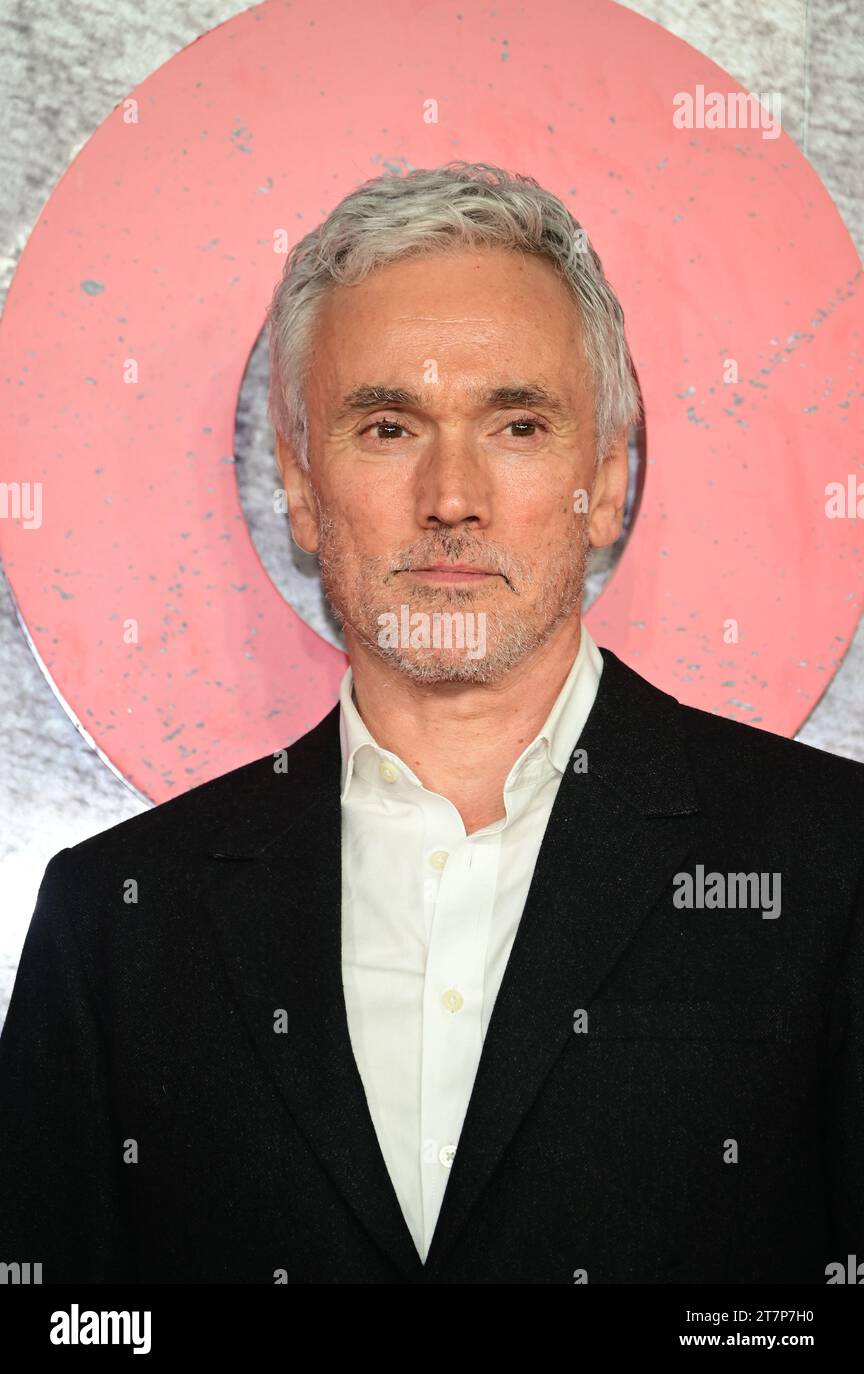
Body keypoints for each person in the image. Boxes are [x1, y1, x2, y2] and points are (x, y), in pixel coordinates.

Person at [1, 162, 861, 1284]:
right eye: (390, 426)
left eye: (515, 423)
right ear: (301, 488)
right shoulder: (113, 922)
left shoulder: (837, 866)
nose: (451, 496)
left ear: (605, 478)